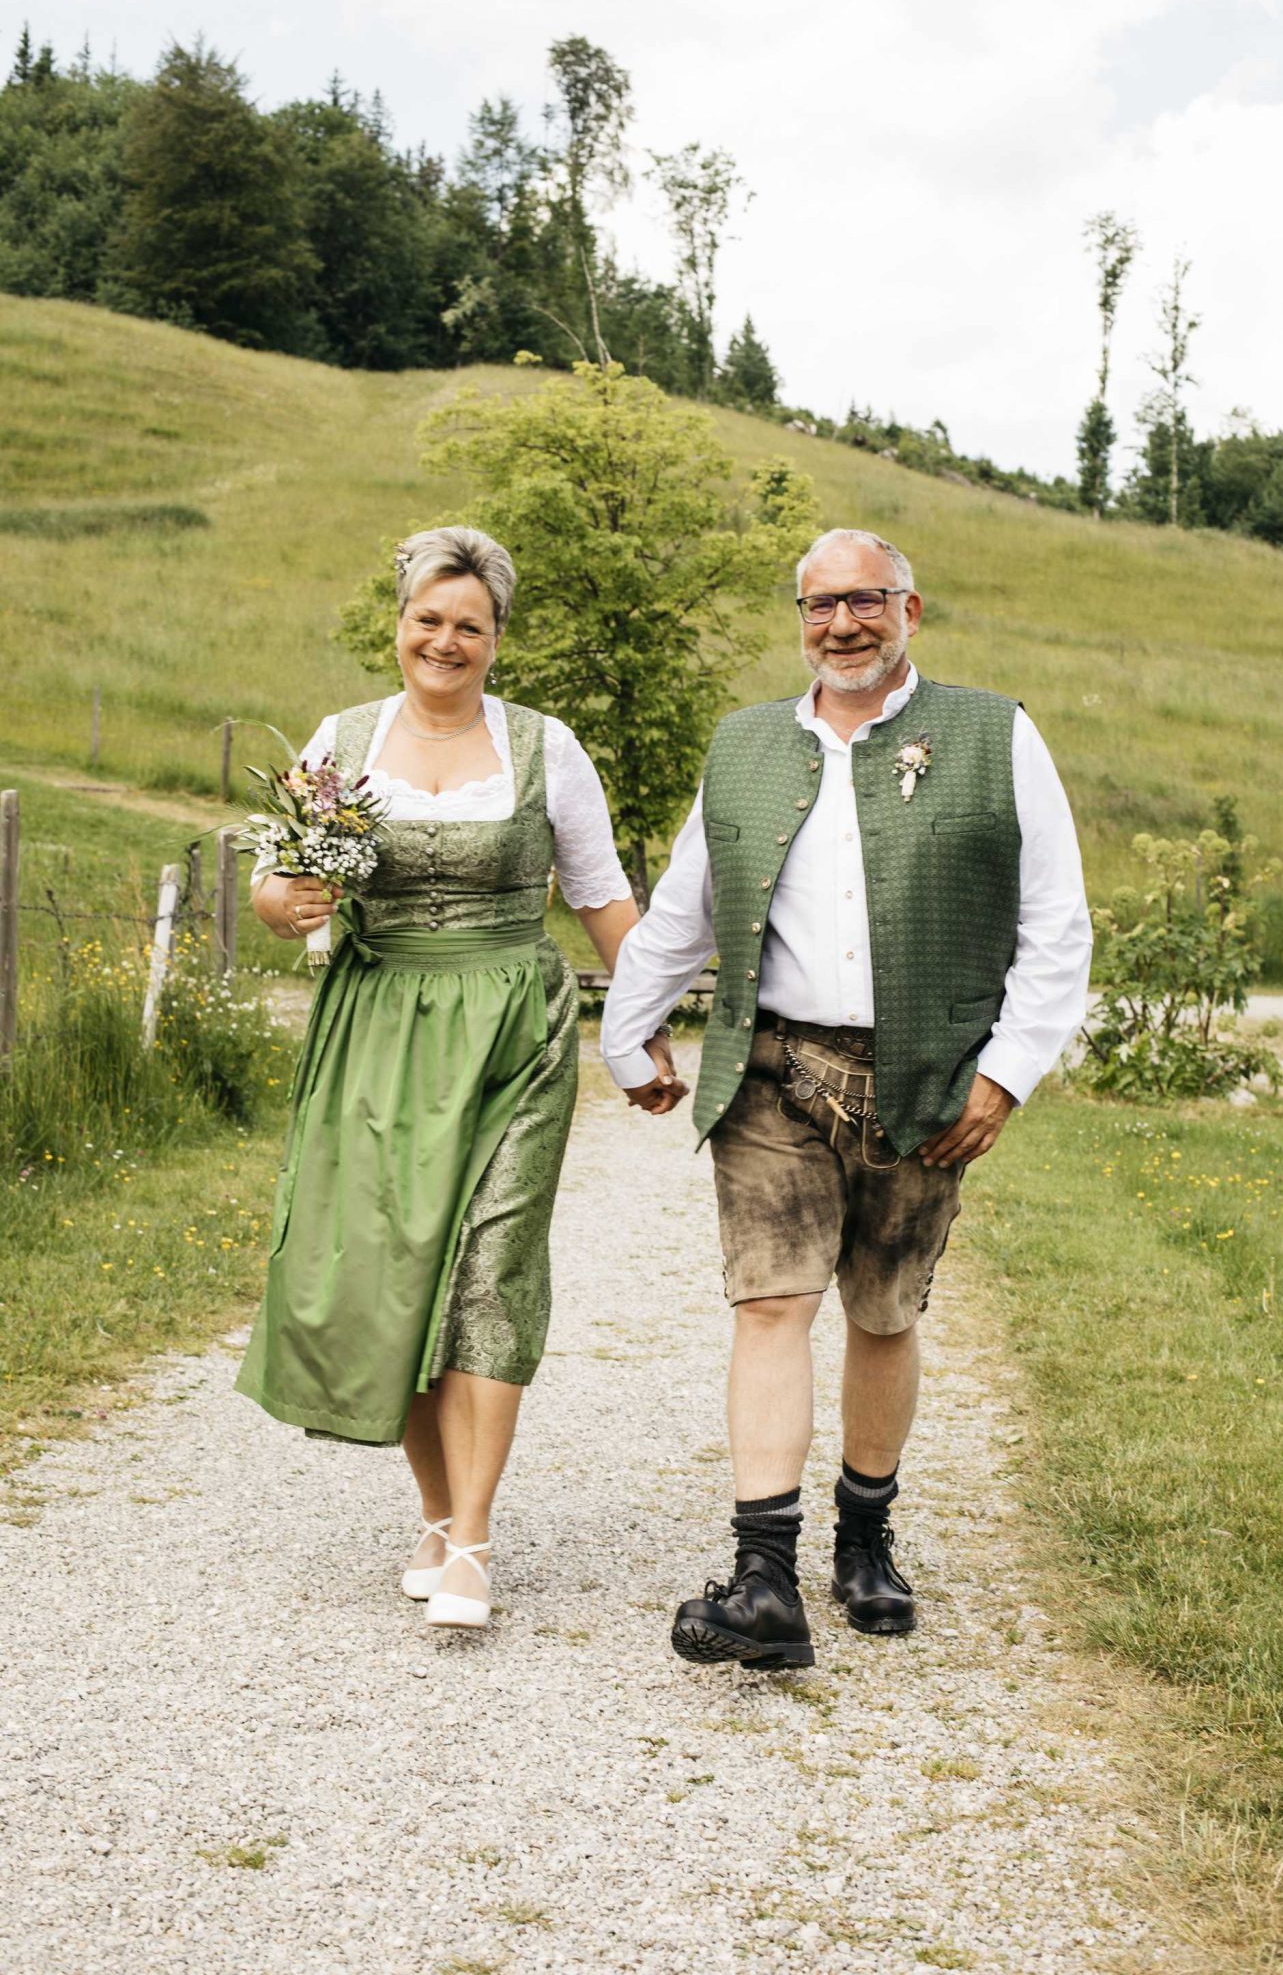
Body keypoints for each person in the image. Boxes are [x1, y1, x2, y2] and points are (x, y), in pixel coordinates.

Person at [601, 526, 1091, 1671]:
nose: (842, 624)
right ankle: (764, 1575)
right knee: (771, 1301)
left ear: (910, 610)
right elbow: (683, 906)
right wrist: (631, 1035)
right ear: (801, 618)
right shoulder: (746, 746)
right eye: (819, 605)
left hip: (926, 1076)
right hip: (775, 1066)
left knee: (884, 1309)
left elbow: (1055, 923)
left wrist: (1006, 1070)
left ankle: (864, 1534)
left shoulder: (994, 733)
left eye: (866, 600)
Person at [236, 525, 651, 1631]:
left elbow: (603, 894)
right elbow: (278, 886)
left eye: (470, 624)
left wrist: (646, 1016)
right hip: (377, 1022)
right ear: (401, 623)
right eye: (430, 617)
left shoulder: (545, 746)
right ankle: (430, 1507)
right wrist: (289, 903)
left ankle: (472, 1537)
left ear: (497, 638)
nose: (446, 639)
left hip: (513, 1023)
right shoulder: (342, 737)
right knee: (398, 1264)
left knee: (491, 1266)